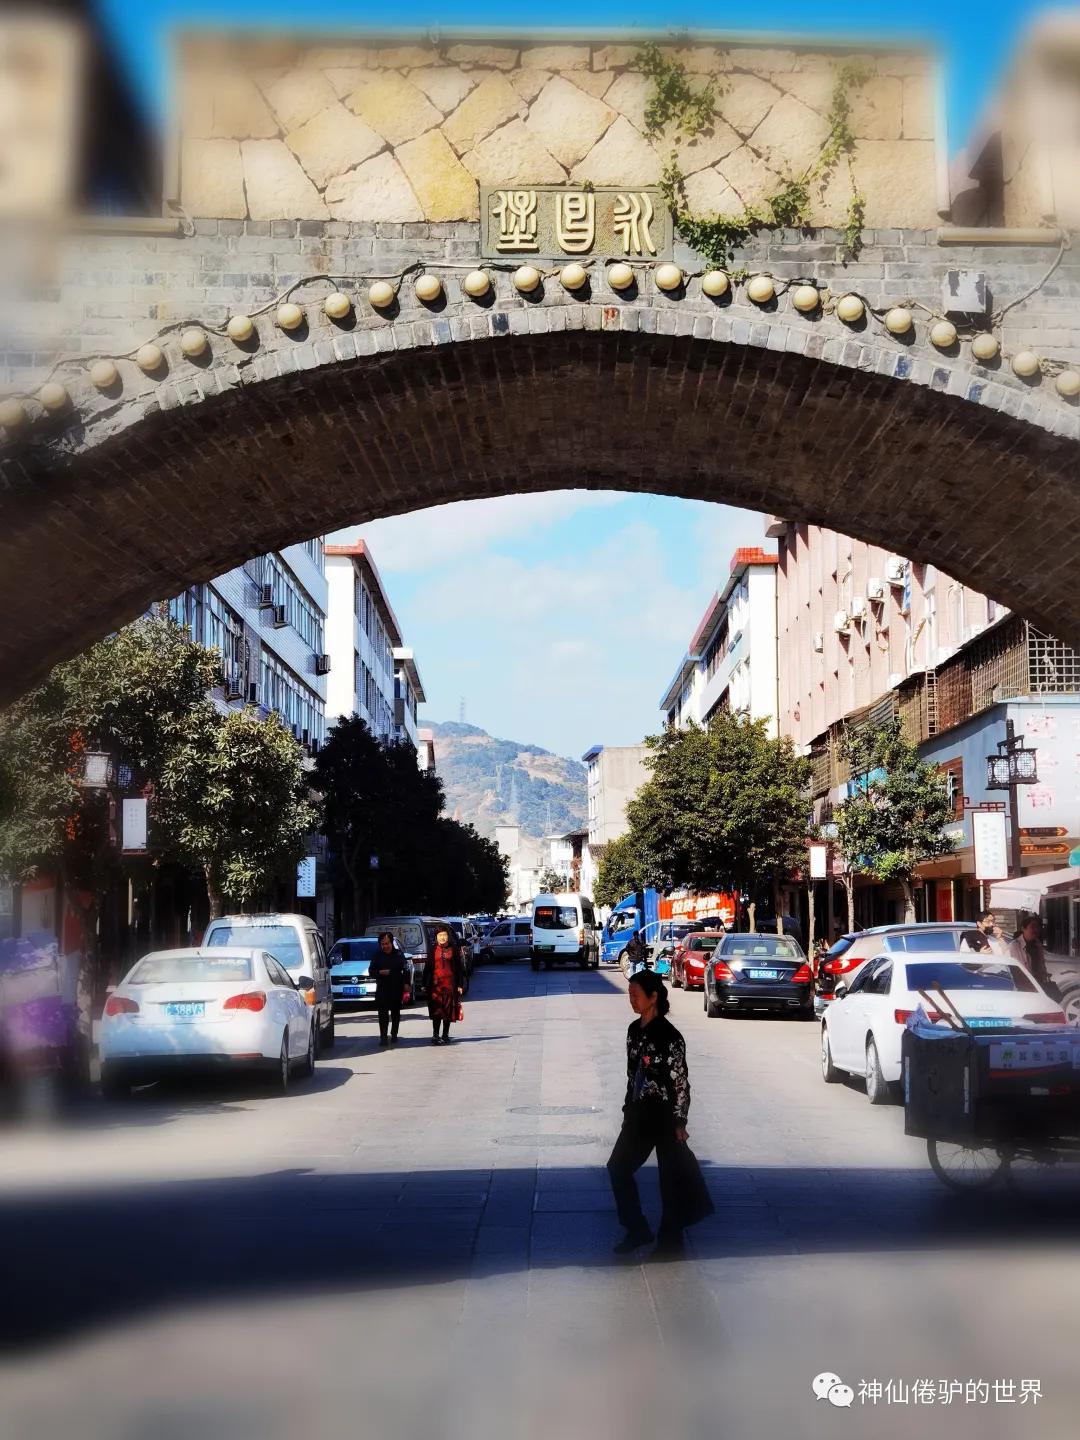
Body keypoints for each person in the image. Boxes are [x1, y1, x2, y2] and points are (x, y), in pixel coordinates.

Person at [607, 970, 713, 1259]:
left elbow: (680, 1081)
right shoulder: (633, 1031)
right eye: (629, 995)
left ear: (653, 997)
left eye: (635, 995)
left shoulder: (671, 1037)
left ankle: (671, 1241)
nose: (631, 1000)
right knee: (617, 1168)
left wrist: (681, 1120)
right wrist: (628, 1108)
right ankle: (636, 1228)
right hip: (639, 1116)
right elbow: (633, 1075)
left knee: (671, 1180)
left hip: (666, 1118)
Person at [424, 926, 465, 1045]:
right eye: (440, 935)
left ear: (448, 936)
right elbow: (428, 968)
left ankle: (445, 1035)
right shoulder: (433, 950)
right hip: (435, 986)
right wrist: (424, 983)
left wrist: (460, 985)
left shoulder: (454, 949)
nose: (442, 937)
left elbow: (459, 969)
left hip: (449, 985)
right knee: (436, 1011)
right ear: (436, 937)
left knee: (448, 1010)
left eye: (444, 935)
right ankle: (435, 1035)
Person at [374, 931, 408, 1047]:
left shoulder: (398, 955)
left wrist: (406, 983)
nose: (385, 946)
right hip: (382, 989)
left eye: (387, 943)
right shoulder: (377, 956)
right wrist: (379, 972)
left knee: (395, 1013)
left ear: (391, 943)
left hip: (396, 988)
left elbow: (406, 969)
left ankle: (394, 1034)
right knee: (382, 1014)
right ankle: (383, 1037)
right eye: (383, 944)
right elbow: (371, 971)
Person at [1010, 913, 1051, 990]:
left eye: (1037, 927)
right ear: (1023, 928)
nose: (1036, 930)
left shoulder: (1037, 944)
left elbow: (1042, 965)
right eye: (1032, 927)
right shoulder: (1015, 945)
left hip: (1039, 985)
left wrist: (1044, 975)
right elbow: (1019, 970)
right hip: (1023, 987)